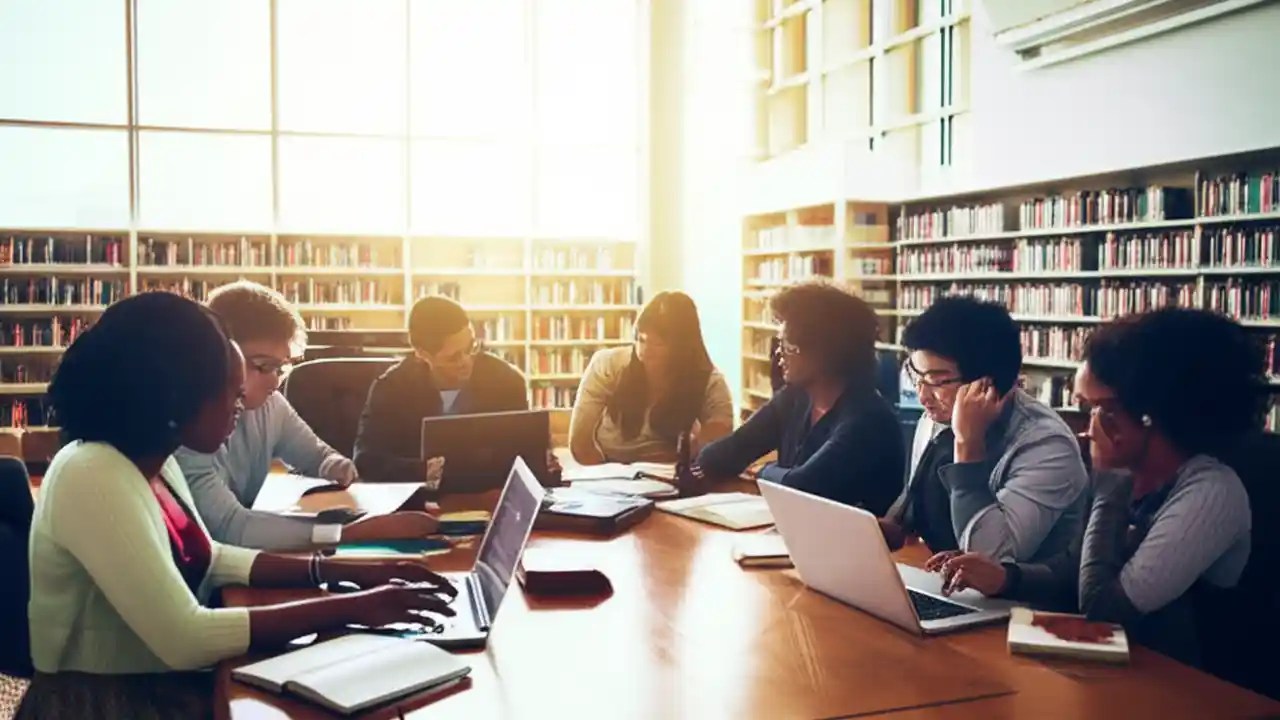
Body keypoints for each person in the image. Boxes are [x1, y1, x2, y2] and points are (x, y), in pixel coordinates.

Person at [20, 292, 455, 719]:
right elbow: (185, 636)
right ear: (176, 394)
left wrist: (341, 571)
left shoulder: (154, 458)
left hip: (164, 681)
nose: (241, 403)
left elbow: (210, 555)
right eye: (229, 390)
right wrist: (355, 606)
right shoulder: (92, 473)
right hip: (108, 702)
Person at [175, 281, 435, 550]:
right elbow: (229, 528)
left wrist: (336, 467)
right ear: (221, 354)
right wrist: (351, 533)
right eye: (264, 366)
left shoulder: (270, 405)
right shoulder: (189, 427)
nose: (275, 383)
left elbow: (318, 456)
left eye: (280, 368)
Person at [1074, 308, 1256, 666]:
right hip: (1121, 673)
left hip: (1191, 693)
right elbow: (1074, 570)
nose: (1089, 426)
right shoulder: (1136, 471)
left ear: (1150, 412)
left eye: (1102, 409)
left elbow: (1103, 610)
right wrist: (1006, 577)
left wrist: (1110, 481)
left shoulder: (1211, 492)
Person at [881, 297, 1088, 609]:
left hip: (1026, 616)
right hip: (959, 597)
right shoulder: (936, 418)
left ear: (985, 385)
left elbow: (991, 563)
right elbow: (912, 504)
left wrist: (968, 444)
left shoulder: (1046, 445)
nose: (922, 395)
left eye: (937, 381)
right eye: (916, 374)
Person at [696, 281, 903, 513]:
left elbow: (804, 488)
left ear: (825, 352)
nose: (779, 355)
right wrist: (774, 474)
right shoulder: (795, 399)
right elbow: (718, 456)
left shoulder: (868, 419)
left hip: (853, 546)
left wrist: (761, 471)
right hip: (799, 534)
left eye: (787, 346)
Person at [354, 295, 530, 484]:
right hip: (419, 500)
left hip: (488, 497)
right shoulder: (390, 388)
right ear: (422, 354)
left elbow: (525, 452)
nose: (466, 361)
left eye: (471, 347)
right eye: (453, 357)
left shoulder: (507, 381)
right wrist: (421, 471)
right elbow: (366, 460)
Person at [569, 291, 733, 465]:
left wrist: (695, 448)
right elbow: (580, 444)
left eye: (658, 344)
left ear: (682, 348)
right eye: (641, 339)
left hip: (671, 479)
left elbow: (722, 443)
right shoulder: (607, 366)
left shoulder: (708, 380)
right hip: (609, 472)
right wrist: (605, 477)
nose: (645, 351)